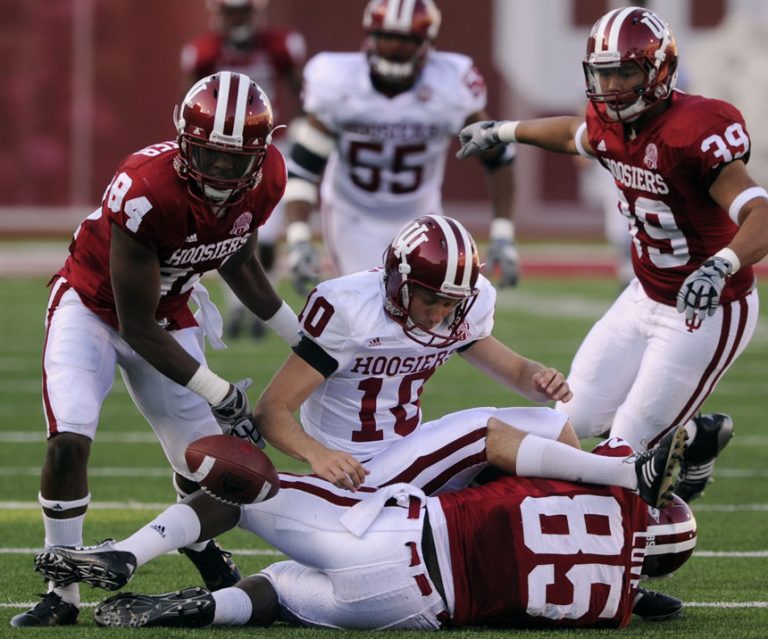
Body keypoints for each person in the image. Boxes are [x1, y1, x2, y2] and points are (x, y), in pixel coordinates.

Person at [9, 71, 302, 628]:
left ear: (260, 154)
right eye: (210, 156)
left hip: (171, 309)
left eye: (235, 160)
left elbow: (240, 262)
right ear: (185, 142)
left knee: (212, 468)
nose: (220, 171)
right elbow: (137, 326)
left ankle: (201, 547)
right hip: (93, 308)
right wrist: (220, 392)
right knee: (69, 439)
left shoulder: (268, 177)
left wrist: (302, 339)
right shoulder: (144, 186)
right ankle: (61, 591)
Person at [456, 6, 768, 503]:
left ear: (659, 72)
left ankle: (658, 505)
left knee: (621, 453)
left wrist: (721, 264)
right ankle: (694, 440)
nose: (612, 87)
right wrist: (504, 130)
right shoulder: (611, 124)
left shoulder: (695, 128)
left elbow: (760, 213)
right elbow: (571, 134)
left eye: (625, 73)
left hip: (705, 310)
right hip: (642, 295)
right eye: (604, 74)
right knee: (567, 423)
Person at [32, 432, 690, 629]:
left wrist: (628, 471)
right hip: (410, 612)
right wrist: (637, 595)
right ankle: (204, 608)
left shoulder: (609, 491)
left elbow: (505, 456)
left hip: (402, 536)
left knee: (244, 487)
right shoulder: (613, 606)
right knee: (282, 590)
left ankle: (127, 553)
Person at [251, 214, 576, 492]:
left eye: (450, 303)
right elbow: (271, 409)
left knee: (555, 426)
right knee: (482, 430)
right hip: (358, 470)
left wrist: (540, 380)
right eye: (430, 300)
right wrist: (318, 454)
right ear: (399, 283)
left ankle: (585, 514)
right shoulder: (351, 310)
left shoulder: (456, 316)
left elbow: (517, 372)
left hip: (412, 456)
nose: (438, 314)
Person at [283, 0, 519, 295]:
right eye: (387, 36)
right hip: (354, 216)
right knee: (374, 304)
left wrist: (503, 234)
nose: (395, 47)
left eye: (406, 39)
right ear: (370, 36)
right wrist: (298, 237)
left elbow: (498, 156)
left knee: (440, 306)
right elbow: (304, 166)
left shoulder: (450, 84)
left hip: (422, 214)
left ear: (427, 43)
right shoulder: (337, 81)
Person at [181, 0, 307, 338]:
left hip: (270, 145)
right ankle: (237, 307)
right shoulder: (205, 52)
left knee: (265, 231)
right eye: (231, 11)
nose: (237, 19)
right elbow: (191, 101)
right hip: (222, 151)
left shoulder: (278, 46)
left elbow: (302, 93)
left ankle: (260, 306)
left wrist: (306, 127)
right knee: (228, 228)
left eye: (242, 11)